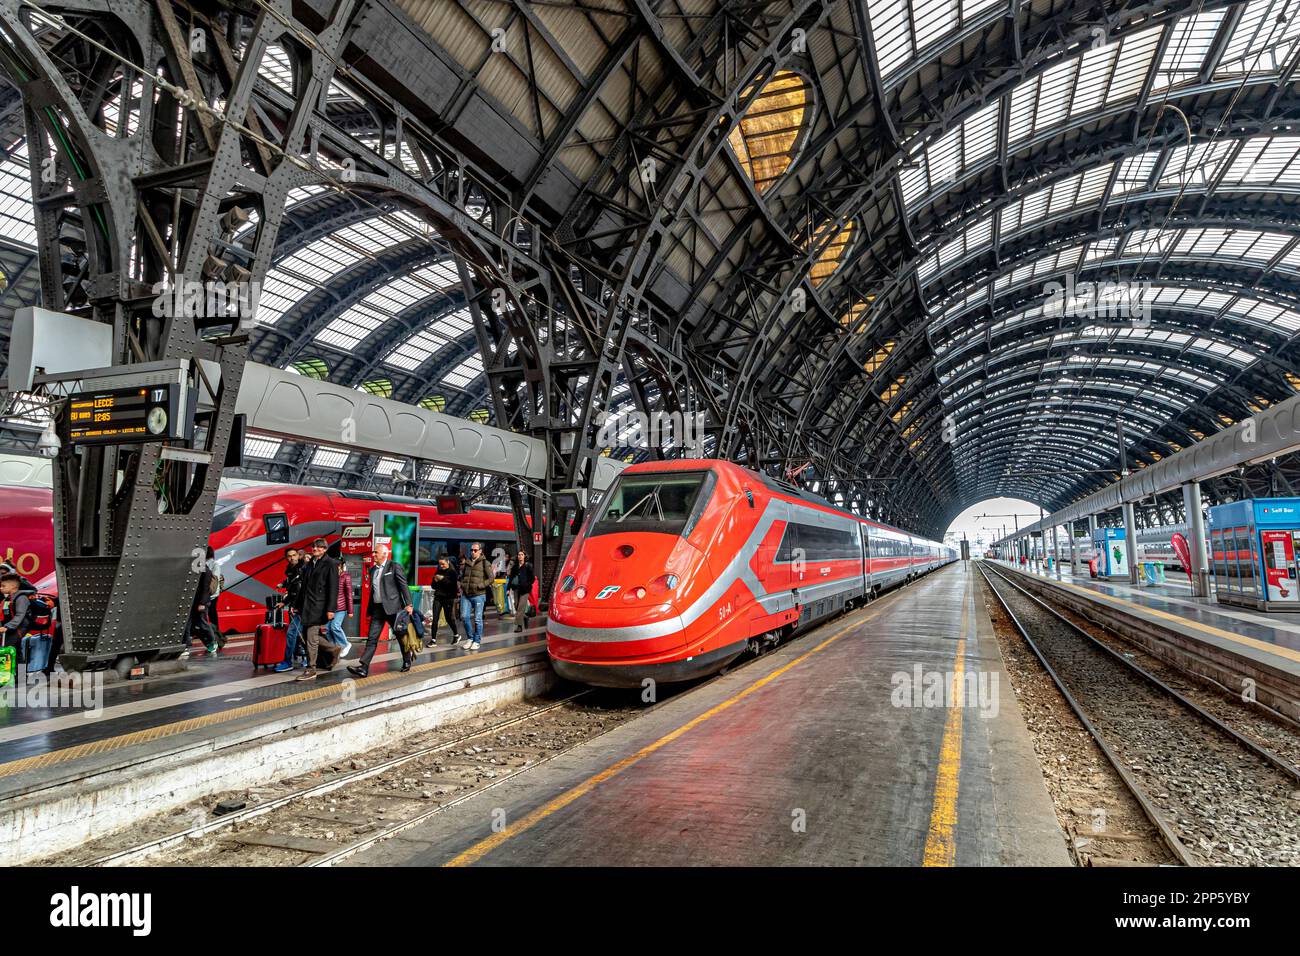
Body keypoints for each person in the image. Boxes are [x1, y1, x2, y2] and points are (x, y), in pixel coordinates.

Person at [349, 543, 414, 677]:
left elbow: (403, 586)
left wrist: (409, 604)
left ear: (384, 554)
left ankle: (407, 660)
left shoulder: (394, 566)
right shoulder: (373, 570)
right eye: (373, 553)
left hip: (394, 608)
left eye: (376, 553)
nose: (373, 555)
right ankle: (364, 667)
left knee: (401, 636)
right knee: (372, 638)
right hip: (378, 609)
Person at [296, 538, 339, 680]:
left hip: (319, 606)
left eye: (319, 547)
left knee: (310, 637)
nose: (315, 549)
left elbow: (333, 588)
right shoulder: (309, 564)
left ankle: (311, 668)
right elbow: (303, 587)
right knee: (307, 635)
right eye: (314, 546)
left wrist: (331, 609)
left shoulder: (331, 563)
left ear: (325, 549)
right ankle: (333, 649)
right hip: (306, 605)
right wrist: (297, 605)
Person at [274, 547, 306, 674]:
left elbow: (300, 590)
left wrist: (294, 605)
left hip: (301, 607)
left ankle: (287, 662)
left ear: (298, 556)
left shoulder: (303, 569)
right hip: (295, 606)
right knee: (301, 634)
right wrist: (285, 602)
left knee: (292, 633)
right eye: (289, 556)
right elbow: (293, 589)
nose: (292, 558)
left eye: (294, 555)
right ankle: (309, 658)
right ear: (286, 558)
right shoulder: (290, 570)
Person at [458, 542, 493, 651]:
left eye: (475, 550)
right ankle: (470, 638)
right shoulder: (467, 563)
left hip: (479, 595)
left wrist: (481, 585)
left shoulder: (485, 563)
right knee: (464, 617)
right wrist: (462, 586)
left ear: (480, 551)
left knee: (478, 619)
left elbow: (491, 578)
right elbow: (463, 577)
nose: (473, 552)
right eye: (471, 550)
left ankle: (477, 641)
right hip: (466, 595)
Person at [190, 547, 221, 657]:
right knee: (196, 623)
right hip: (199, 601)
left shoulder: (206, 570)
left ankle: (213, 641)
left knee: (202, 623)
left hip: (204, 601)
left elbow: (205, 588)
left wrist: (202, 603)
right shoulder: (198, 568)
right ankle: (209, 642)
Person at [428, 556, 458, 647]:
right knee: (435, 618)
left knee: (448, 618)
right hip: (438, 597)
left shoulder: (452, 572)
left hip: (448, 598)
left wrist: (442, 579)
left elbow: (452, 586)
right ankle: (433, 640)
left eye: (443, 564)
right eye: (440, 564)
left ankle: (456, 634)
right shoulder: (438, 571)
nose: (441, 566)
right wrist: (435, 580)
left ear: (448, 562)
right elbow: (433, 586)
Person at [326, 560, 353, 658]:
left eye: (336, 566)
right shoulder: (330, 577)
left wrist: (350, 610)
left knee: (335, 626)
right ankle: (335, 649)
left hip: (341, 608)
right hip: (330, 608)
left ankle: (345, 644)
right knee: (328, 630)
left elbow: (349, 594)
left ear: (341, 566)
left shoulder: (346, 576)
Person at [506, 550, 536, 633]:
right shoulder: (515, 566)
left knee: (520, 607)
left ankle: (519, 626)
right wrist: (508, 589)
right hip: (516, 588)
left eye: (521, 555)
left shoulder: (528, 566)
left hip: (525, 590)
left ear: (524, 556)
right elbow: (511, 578)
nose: (520, 556)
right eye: (519, 555)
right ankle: (525, 617)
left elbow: (532, 578)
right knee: (516, 606)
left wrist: (527, 584)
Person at [1, 573, 30, 651]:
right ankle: (18, 663)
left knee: (9, 648)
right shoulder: (7, 599)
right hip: (10, 628)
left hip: (19, 628)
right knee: (15, 649)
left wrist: (7, 627)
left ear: (13, 586)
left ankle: (17, 663)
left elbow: (20, 615)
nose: (1, 588)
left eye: (4, 586)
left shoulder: (21, 598)